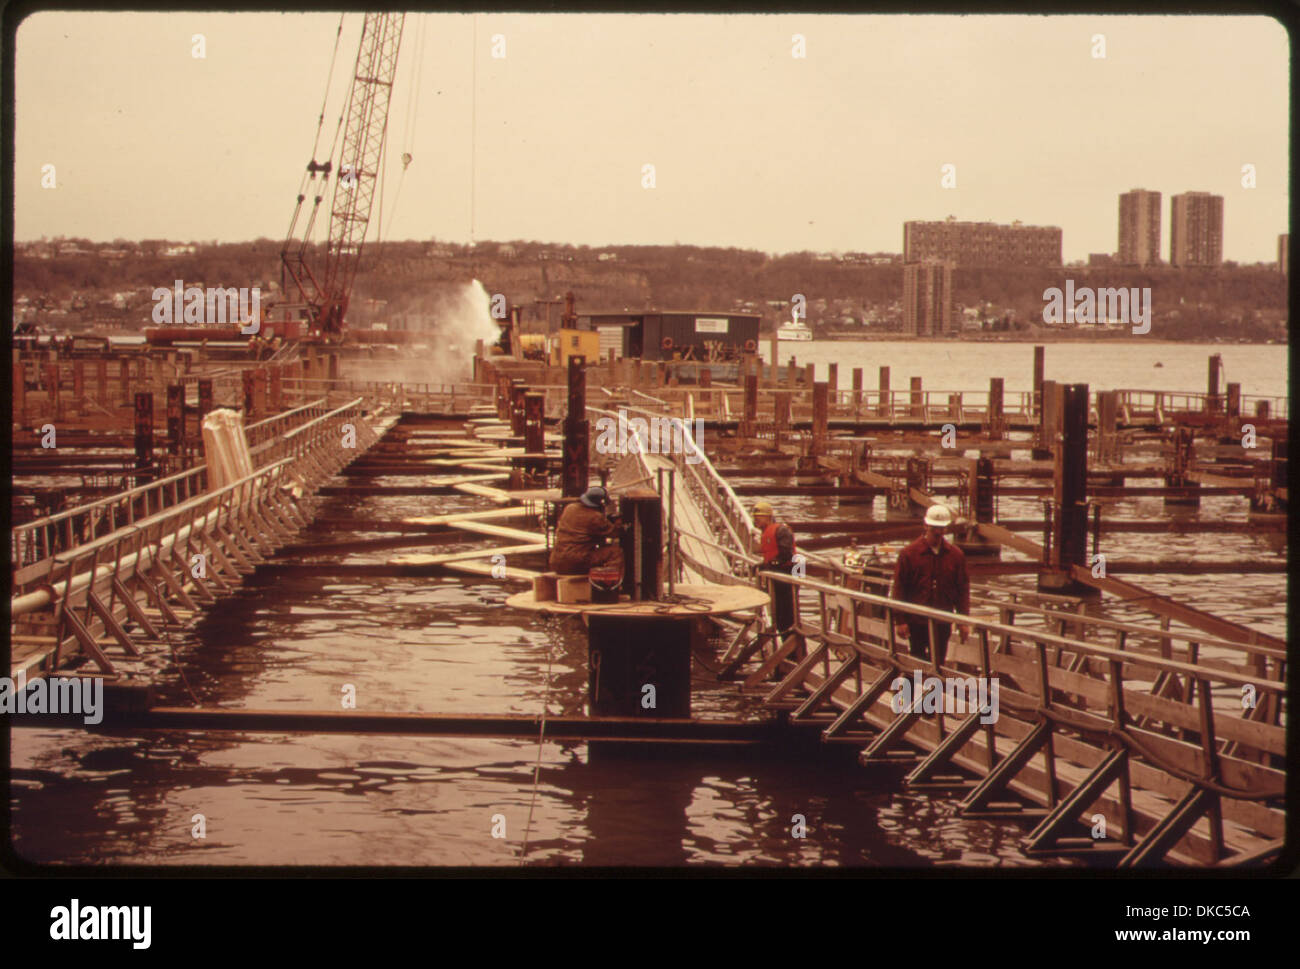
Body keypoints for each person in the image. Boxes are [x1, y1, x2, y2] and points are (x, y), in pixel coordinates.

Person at [890, 504, 970, 665]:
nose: (938, 533)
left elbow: (962, 589)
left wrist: (963, 621)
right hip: (916, 620)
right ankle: (911, 691)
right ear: (926, 526)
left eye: (942, 529)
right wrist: (900, 620)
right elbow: (899, 588)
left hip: (942, 620)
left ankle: (932, 691)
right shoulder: (909, 554)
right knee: (915, 662)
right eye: (934, 529)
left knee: (938, 664)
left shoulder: (956, 556)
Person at [550, 486, 624, 575]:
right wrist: (618, 522)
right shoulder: (595, 517)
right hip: (574, 563)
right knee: (615, 552)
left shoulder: (570, 508)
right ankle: (609, 585)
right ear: (600, 504)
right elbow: (615, 533)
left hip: (556, 561)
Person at [753, 500, 797, 634]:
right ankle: (783, 639)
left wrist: (771, 565)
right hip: (774, 576)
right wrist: (763, 565)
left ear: (768, 516)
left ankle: (793, 651)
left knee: (786, 614)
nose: (756, 521)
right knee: (777, 613)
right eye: (754, 518)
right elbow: (772, 554)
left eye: (758, 517)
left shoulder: (781, 530)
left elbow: (786, 554)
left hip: (785, 575)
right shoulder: (765, 532)